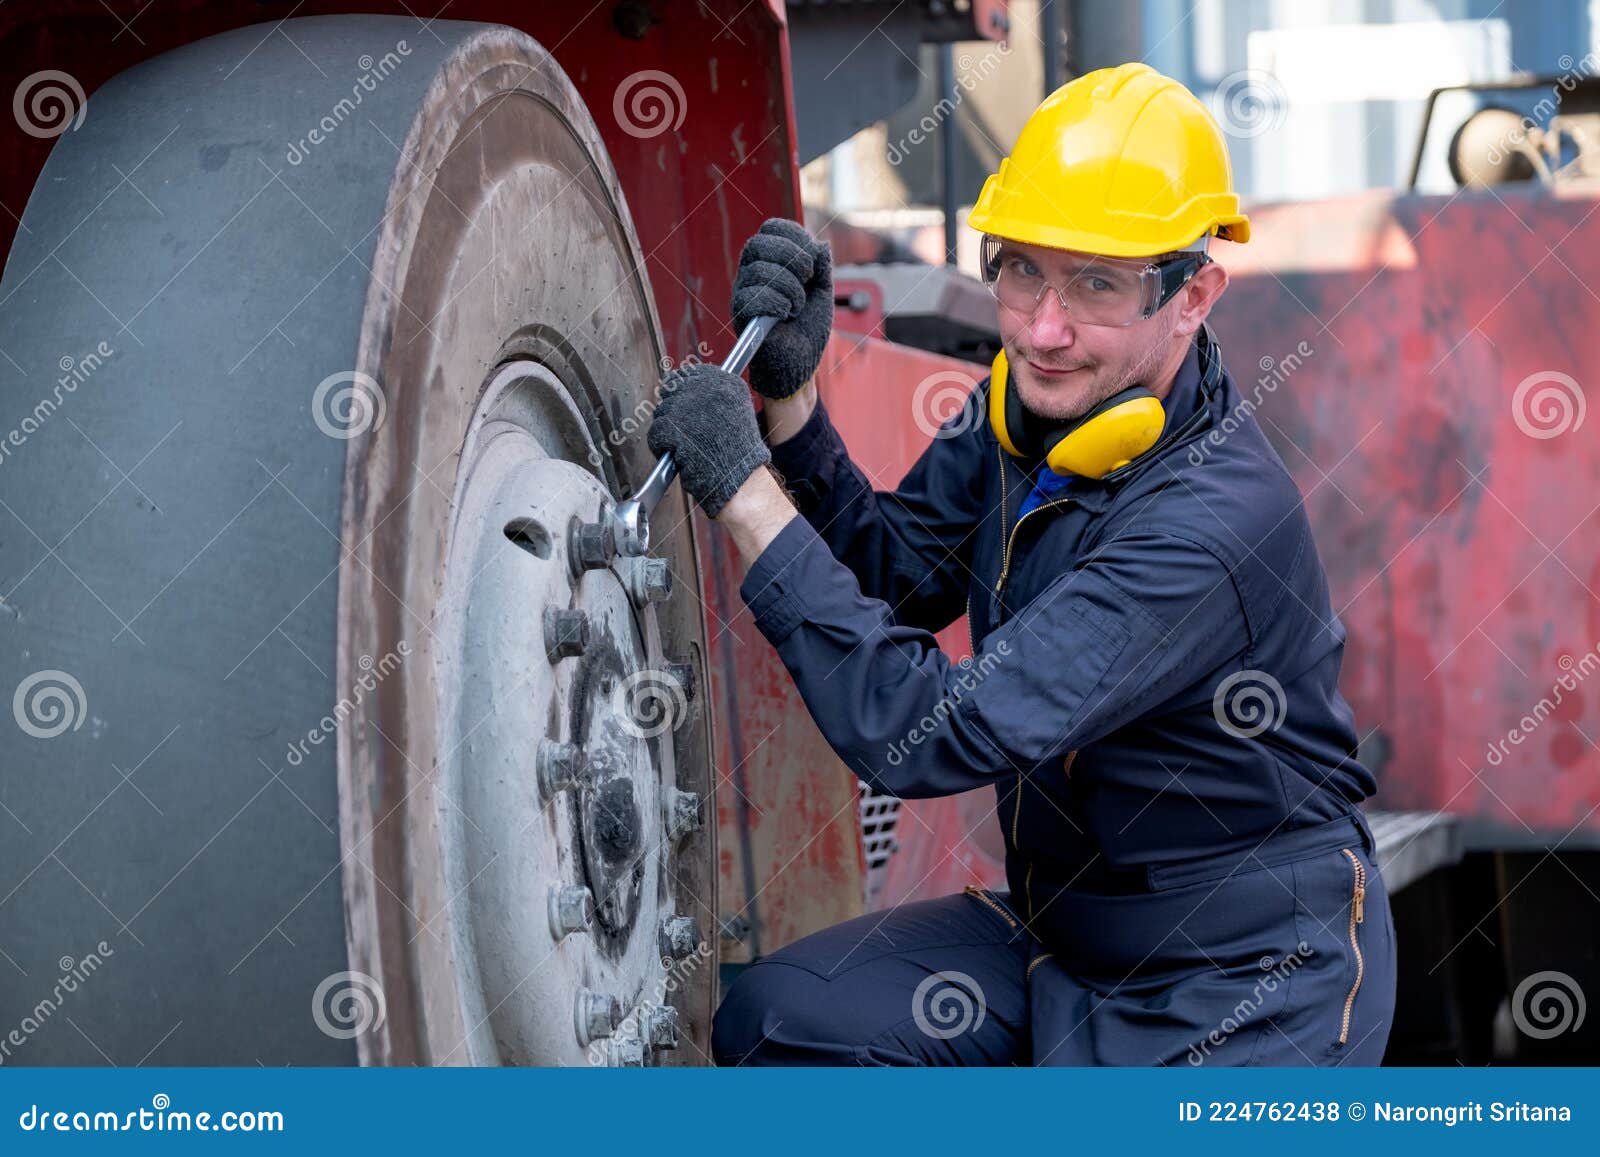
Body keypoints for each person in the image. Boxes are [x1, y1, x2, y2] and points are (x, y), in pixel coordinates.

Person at [646, 62, 1395, 1066]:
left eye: (1097, 283)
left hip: (1243, 979)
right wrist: (788, 409)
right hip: (1068, 935)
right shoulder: (1035, 409)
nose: (1043, 327)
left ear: (1193, 293)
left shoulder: (1209, 528)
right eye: (1021, 269)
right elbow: (896, 575)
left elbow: (924, 733)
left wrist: (742, 495)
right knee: (781, 1018)